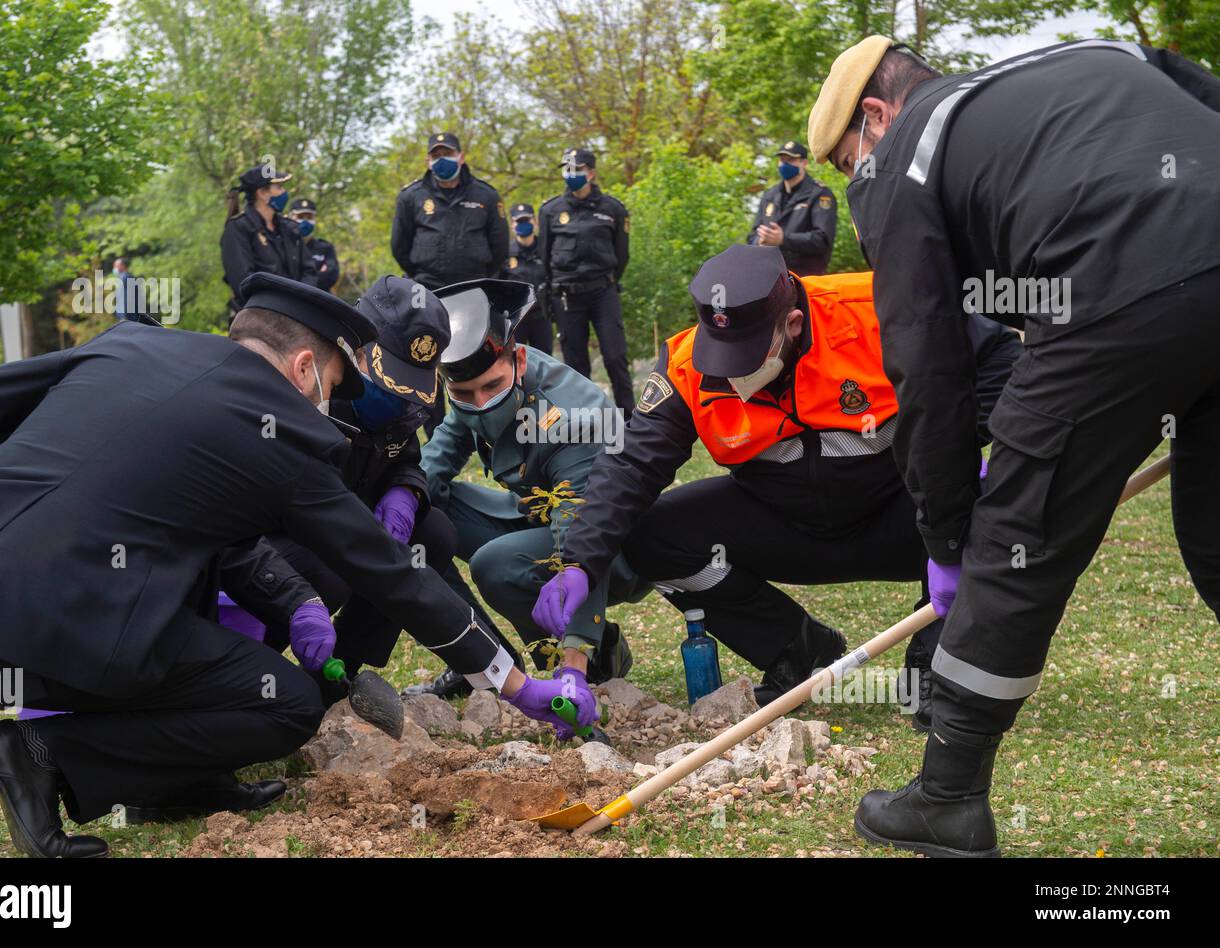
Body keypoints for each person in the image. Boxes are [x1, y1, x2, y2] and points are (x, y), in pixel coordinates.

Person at [0, 273, 581, 857]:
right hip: (47, 623)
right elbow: (389, 571)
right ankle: (38, 757)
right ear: (302, 368)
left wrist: (48, 484)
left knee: (202, 600)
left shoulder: (136, 344)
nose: (330, 403)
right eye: (335, 383)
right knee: (286, 704)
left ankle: (179, 782)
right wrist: (517, 685)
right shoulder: (277, 431)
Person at [808, 35, 1220, 856]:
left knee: (1016, 544)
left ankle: (948, 799)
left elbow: (926, 366)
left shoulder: (904, 158)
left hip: (1112, 290)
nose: (856, 182)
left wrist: (953, 533)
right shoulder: (1097, 57)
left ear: (877, 117)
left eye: (850, 161)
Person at [532, 244, 1019, 716]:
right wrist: (580, 561)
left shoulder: (878, 306)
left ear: (793, 324)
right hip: (784, 525)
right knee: (652, 535)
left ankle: (935, 665)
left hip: (906, 518)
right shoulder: (685, 367)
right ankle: (797, 648)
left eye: (746, 358)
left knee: (991, 503)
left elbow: (998, 351)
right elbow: (632, 466)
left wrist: (953, 452)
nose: (732, 377)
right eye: (721, 357)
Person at [217, 275, 524, 708]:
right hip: (286, 537)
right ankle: (253, 677)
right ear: (358, 350)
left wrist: (405, 495)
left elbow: (404, 460)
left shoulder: (406, 401)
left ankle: (345, 667)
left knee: (432, 532)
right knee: (338, 569)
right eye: (390, 378)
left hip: (351, 522)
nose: (401, 398)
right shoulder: (316, 391)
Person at [413, 278, 645, 714]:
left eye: (490, 388)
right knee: (420, 515)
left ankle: (583, 664)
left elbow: (577, 538)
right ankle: (482, 662)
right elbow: (442, 452)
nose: (479, 402)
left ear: (518, 359)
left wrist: (572, 664)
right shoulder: (476, 388)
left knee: (496, 565)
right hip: (538, 516)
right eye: (463, 394)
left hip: (610, 544)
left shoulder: (575, 417)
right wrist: (405, 497)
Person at [538, 148, 635, 418]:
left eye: (577, 169)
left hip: (602, 292)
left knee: (615, 357)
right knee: (575, 364)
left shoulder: (613, 209)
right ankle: (585, 421)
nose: (571, 174)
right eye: (566, 168)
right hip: (567, 296)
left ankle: (630, 419)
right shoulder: (550, 210)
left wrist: (605, 281)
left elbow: (622, 255)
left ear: (591, 173)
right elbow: (544, 258)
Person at [390, 132, 507, 291]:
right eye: (436, 156)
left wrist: (482, 275)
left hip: (474, 287)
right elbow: (399, 246)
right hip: (426, 288)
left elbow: (500, 246)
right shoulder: (410, 196)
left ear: (461, 157)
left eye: (448, 154)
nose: (442, 159)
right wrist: (419, 274)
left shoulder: (487, 195)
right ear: (428, 162)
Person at [221, 164, 318, 315]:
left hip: (299, 313)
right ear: (262, 193)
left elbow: (309, 270)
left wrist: (300, 300)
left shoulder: (288, 228)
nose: (284, 192)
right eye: (279, 187)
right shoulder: (238, 229)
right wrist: (282, 305)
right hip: (258, 317)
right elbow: (244, 282)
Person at [747, 140, 836, 276]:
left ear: (804, 163)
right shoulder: (770, 195)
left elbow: (822, 240)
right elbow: (752, 236)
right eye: (782, 160)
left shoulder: (820, 194)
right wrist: (760, 241)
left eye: (790, 160)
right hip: (770, 277)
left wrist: (784, 239)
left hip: (805, 279)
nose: (784, 164)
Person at [502, 203, 554, 354]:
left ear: (535, 222)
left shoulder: (547, 250)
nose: (523, 224)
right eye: (519, 221)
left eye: (527, 220)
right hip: (516, 320)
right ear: (512, 225)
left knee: (544, 364)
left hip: (541, 318)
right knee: (515, 364)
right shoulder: (505, 254)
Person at [290, 198, 340, 292]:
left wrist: (299, 279)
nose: (305, 221)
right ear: (291, 217)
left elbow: (331, 277)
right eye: (300, 216)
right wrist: (317, 274)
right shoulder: (284, 245)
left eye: (309, 217)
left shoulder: (325, 248)